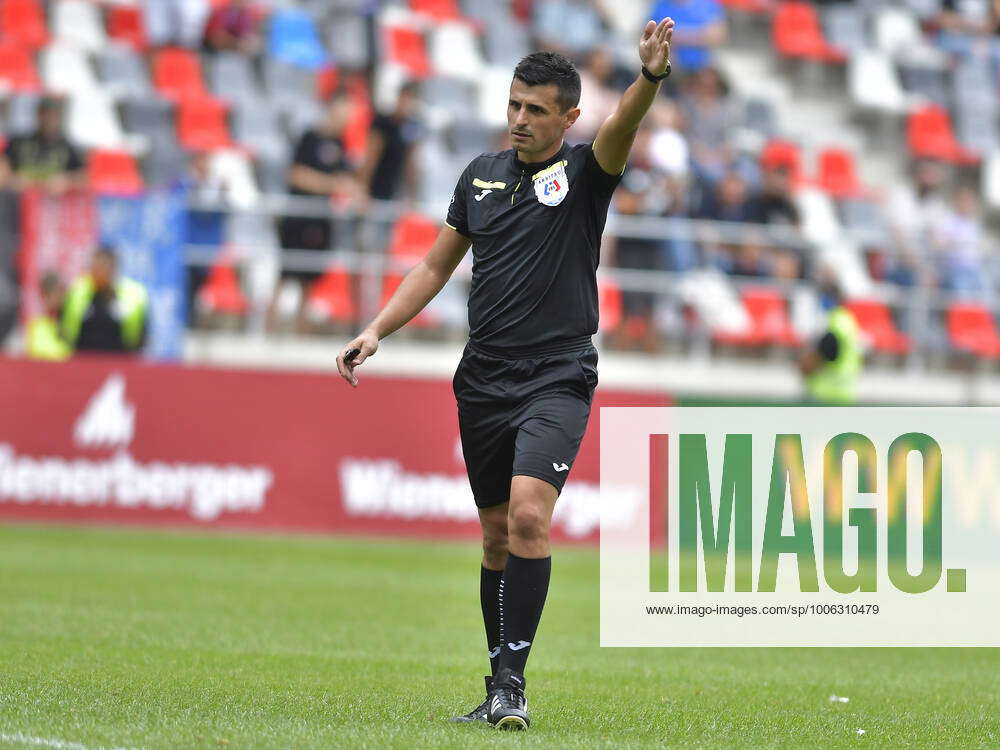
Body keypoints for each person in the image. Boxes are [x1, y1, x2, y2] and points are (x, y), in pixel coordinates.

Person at [335, 19, 676, 730]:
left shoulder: (587, 173)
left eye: (536, 109)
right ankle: (496, 683)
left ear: (568, 117)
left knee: (528, 513)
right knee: (494, 535)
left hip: (556, 373)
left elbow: (622, 126)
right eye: (514, 104)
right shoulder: (480, 177)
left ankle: (513, 684)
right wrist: (376, 329)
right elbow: (435, 265)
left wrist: (648, 80)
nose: (519, 119)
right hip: (482, 378)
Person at [62, 248, 148, 355]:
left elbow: (141, 337)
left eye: (103, 266)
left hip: (119, 364)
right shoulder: (77, 292)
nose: (98, 271)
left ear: (114, 268)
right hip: (82, 362)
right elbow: (64, 331)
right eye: (95, 266)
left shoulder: (133, 296)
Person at [800, 271, 862, 404]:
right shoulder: (848, 320)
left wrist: (805, 367)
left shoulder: (833, 323)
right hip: (846, 395)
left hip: (827, 395)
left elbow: (824, 355)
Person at [0, 97, 86, 194]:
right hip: (18, 201)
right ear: (38, 115)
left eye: (54, 115)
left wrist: (66, 180)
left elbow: (84, 176)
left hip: (51, 205)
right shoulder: (19, 141)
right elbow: (3, 166)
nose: (50, 119)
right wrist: (11, 180)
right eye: (46, 114)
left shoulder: (68, 147)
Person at [26, 272, 71, 361]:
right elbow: (41, 351)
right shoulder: (37, 325)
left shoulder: (66, 321)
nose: (61, 297)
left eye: (63, 293)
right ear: (44, 295)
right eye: (57, 293)